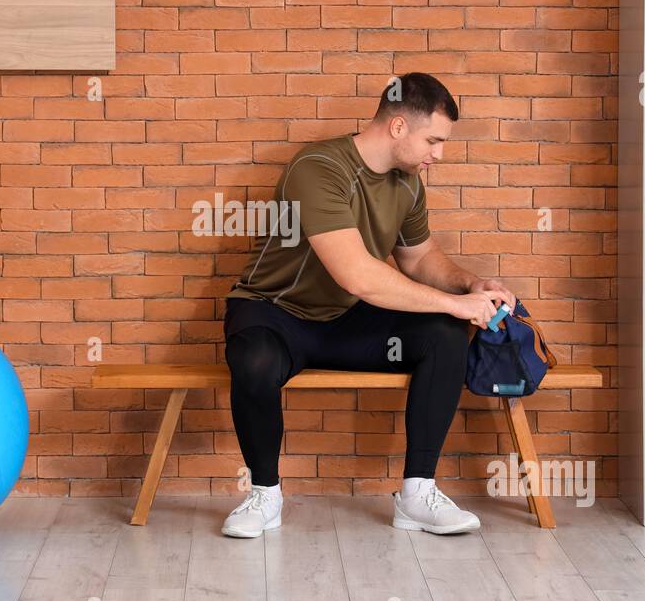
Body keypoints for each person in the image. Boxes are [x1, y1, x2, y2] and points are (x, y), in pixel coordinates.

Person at [221, 72, 515, 538]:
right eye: (433, 140)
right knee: (254, 360)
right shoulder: (318, 167)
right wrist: (456, 304)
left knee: (443, 334)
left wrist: (469, 285)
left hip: (343, 318)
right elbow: (356, 273)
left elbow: (418, 258)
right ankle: (264, 495)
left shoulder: (408, 182)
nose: (438, 154)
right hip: (276, 312)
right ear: (398, 127)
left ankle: (417, 495)